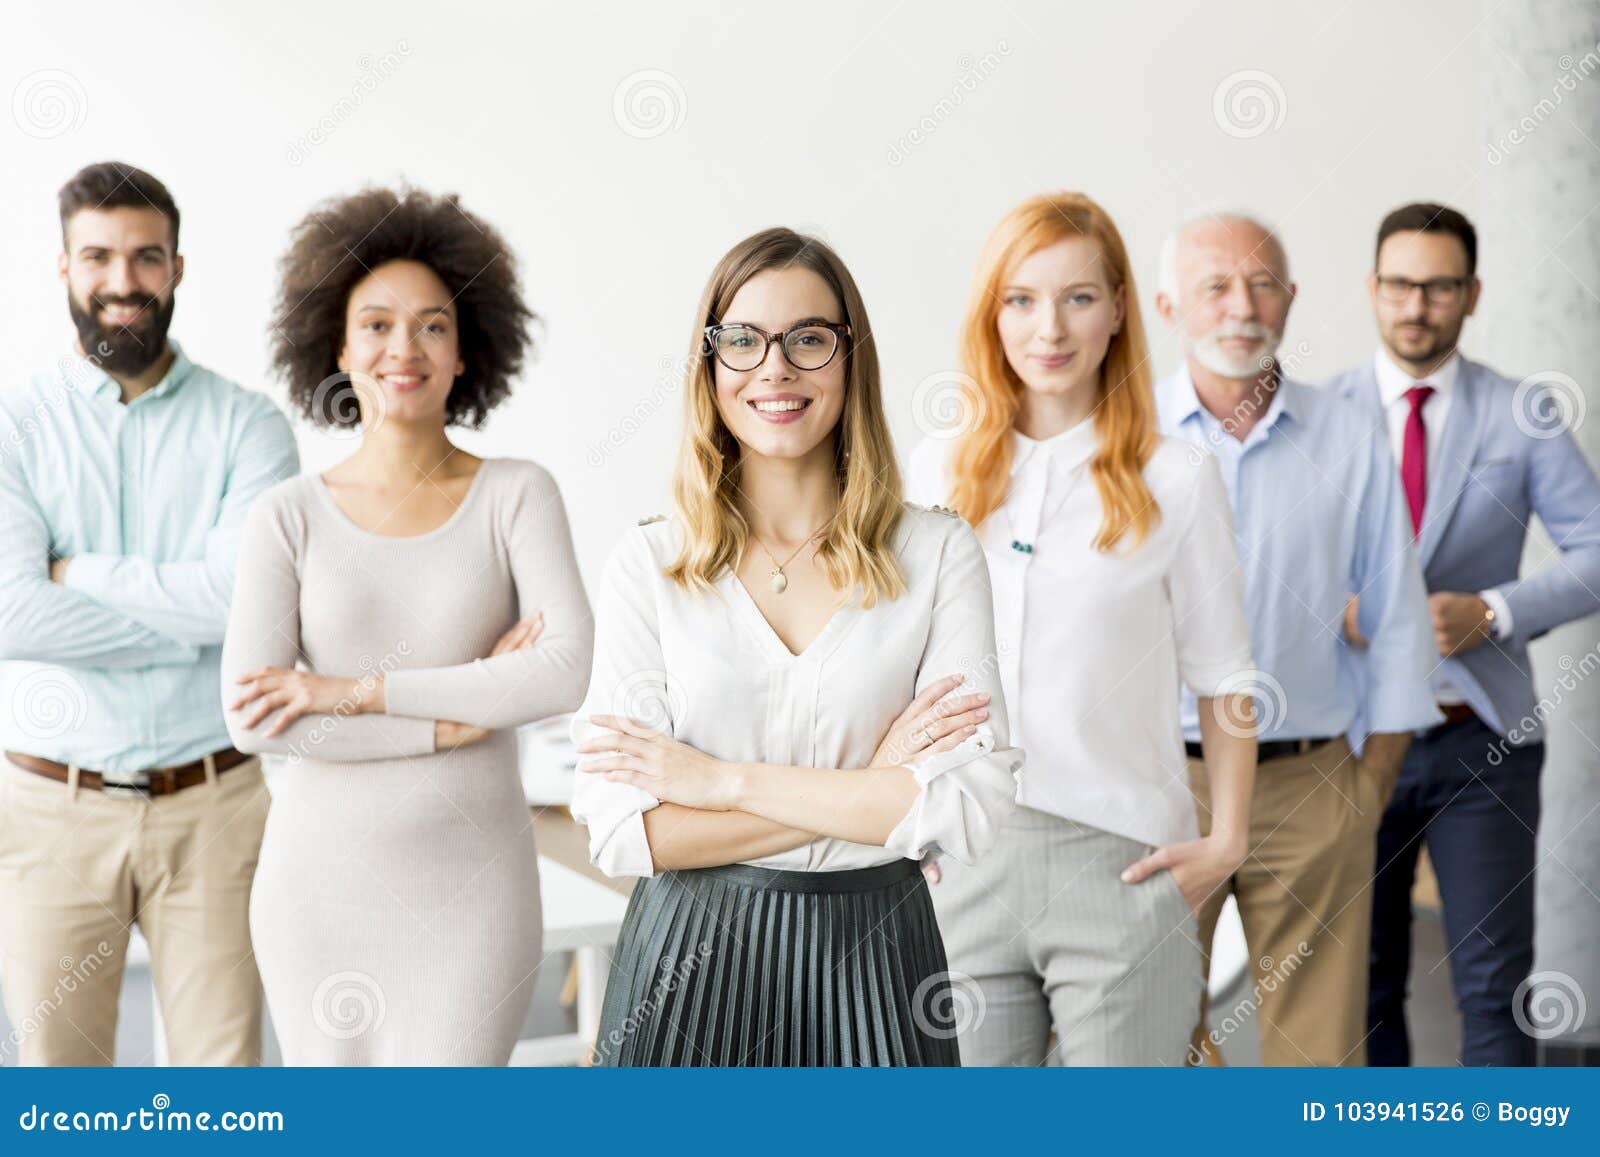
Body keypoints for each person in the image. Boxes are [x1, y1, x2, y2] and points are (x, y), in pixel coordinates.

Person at [570, 226, 1022, 1067]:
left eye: (808, 339)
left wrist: (717, 782)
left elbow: (966, 805)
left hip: (878, 963)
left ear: (852, 361)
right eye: (742, 340)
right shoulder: (651, 562)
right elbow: (628, 832)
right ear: (710, 368)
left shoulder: (938, 553)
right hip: (685, 964)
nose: (773, 368)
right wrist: (870, 789)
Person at [220, 187, 593, 1065]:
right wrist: (457, 718)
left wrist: (354, 693)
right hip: (318, 893)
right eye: (377, 324)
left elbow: (566, 668)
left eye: (432, 325)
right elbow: (257, 717)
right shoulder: (287, 516)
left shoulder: (517, 494)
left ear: (467, 352)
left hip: (473, 894)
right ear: (338, 348)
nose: (404, 348)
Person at [906, 191, 1256, 1065]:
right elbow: (900, 666)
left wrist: (1227, 841)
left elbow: (1226, 678)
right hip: (965, 860)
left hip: (1123, 866)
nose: (1048, 328)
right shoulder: (936, 469)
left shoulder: (1178, 477)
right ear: (993, 315)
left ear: (1119, 311)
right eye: (1021, 299)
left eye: (1078, 297)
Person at [0, 161, 299, 1065]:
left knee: (225, 1085)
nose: (121, 281)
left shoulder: (251, 426)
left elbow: (248, 608)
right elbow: (12, 613)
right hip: (54, 806)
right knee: (60, 1088)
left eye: (145, 257)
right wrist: (196, 613)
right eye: (97, 256)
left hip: (215, 802)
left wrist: (78, 571)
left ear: (177, 268)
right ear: (63, 269)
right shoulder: (15, 424)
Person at [1153, 211, 1441, 1066]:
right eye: (1215, 286)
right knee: (1149, 1045)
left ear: (1291, 298)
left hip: (1313, 784)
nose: (1241, 305)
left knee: (1316, 1057)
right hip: (1163, 782)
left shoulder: (1350, 432)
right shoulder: (1124, 440)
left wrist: (1368, 785)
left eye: (1262, 282)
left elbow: (1397, 617)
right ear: (1169, 306)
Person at [1330, 202, 1600, 1066]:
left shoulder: (1524, 413)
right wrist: (1330, 612)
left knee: (1493, 982)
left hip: (1480, 740)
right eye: (1402, 285)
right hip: (1345, 742)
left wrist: (1493, 609)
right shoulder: (1315, 413)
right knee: (1360, 983)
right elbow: (1256, 560)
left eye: (1439, 287)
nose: (1418, 306)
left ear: (1472, 294)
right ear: (1372, 288)